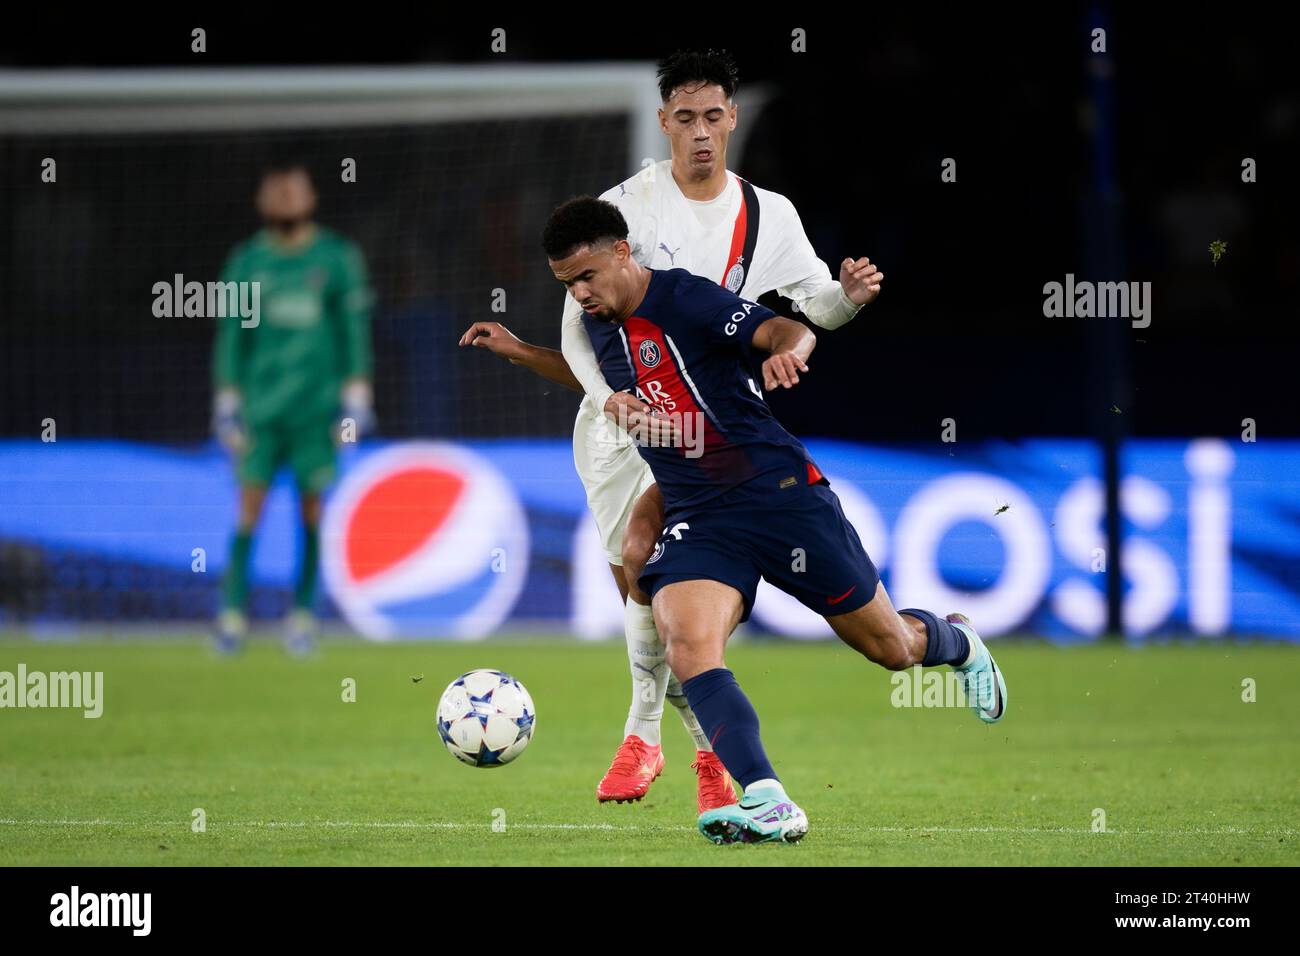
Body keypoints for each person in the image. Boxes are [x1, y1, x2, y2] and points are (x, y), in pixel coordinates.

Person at [543, 195, 1007, 844]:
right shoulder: (598, 327)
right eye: (567, 284)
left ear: (622, 252)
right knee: (688, 646)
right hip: (698, 512)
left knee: (891, 650)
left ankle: (955, 640)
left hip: (779, 496)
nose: (580, 294)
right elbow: (594, 378)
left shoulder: (686, 300)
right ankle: (766, 796)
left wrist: (792, 349)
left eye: (587, 276)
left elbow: (781, 329)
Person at [211, 161, 375, 655]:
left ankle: (303, 616)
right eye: (275, 190)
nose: (285, 198)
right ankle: (232, 615)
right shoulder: (246, 262)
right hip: (261, 410)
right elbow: (231, 337)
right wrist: (227, 400)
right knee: (249, 508)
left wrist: (357, 397)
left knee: (312, 508)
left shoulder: (337, 258)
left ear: (310, 199)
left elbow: (352, 331)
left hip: (317, 411)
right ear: (263, 201)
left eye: (293, 190)